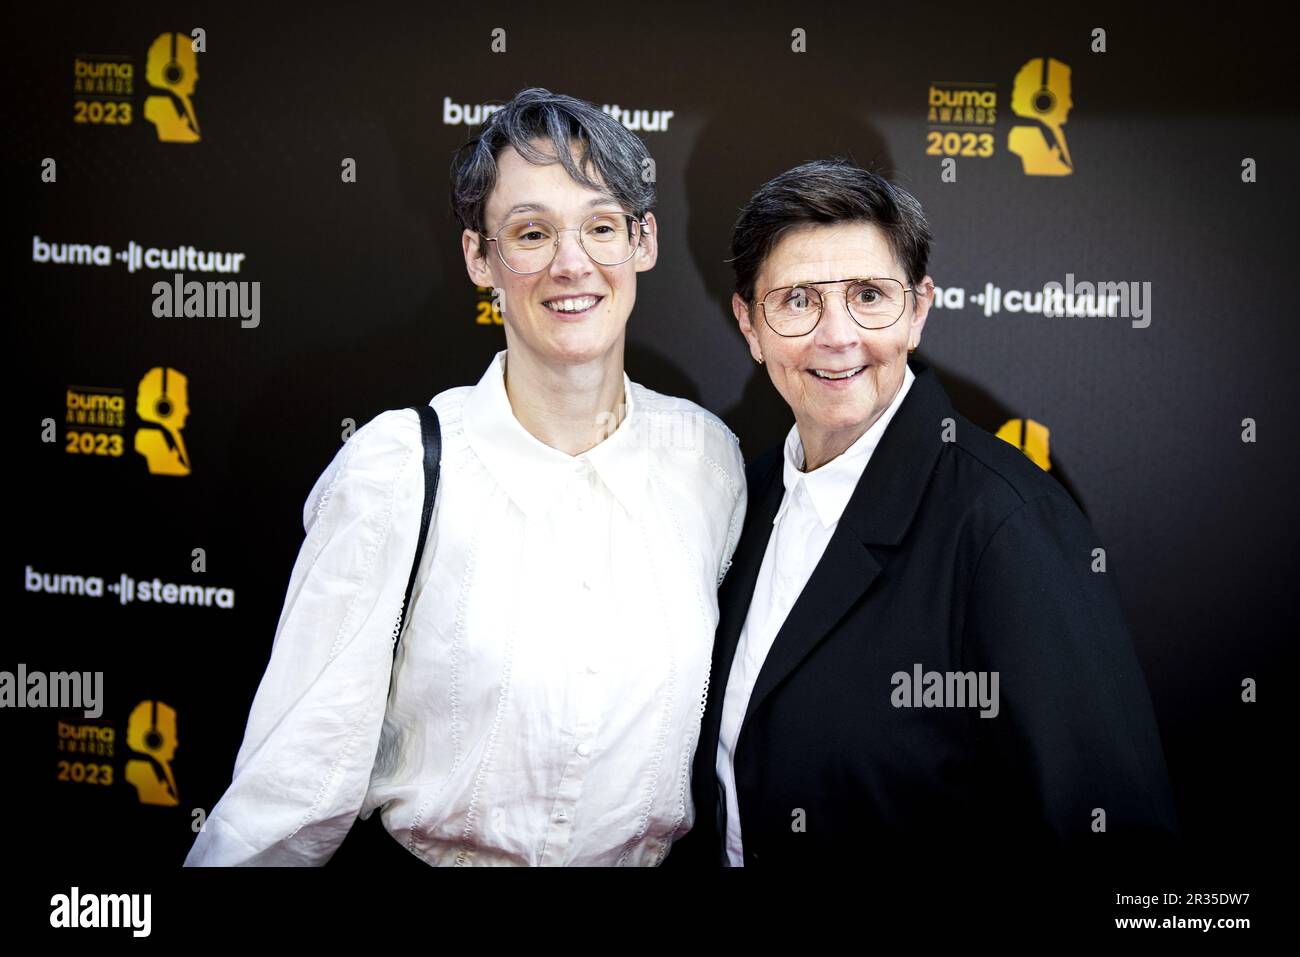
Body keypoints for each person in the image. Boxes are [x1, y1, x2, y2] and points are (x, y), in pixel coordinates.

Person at [184, 88, 745, 867]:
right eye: (531, 232)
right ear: (480, 257)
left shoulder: (708, 463)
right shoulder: (397, 470)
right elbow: (290, 792)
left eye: (602, 226)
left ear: (642, 242)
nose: (572, 262)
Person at [671, 159, 1177, 867]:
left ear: (918, 309)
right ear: (749, 324)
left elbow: (1117, 840)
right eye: (796, 301)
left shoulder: (1005, 520)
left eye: (869, 296)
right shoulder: (737, 501)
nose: (836, 335)